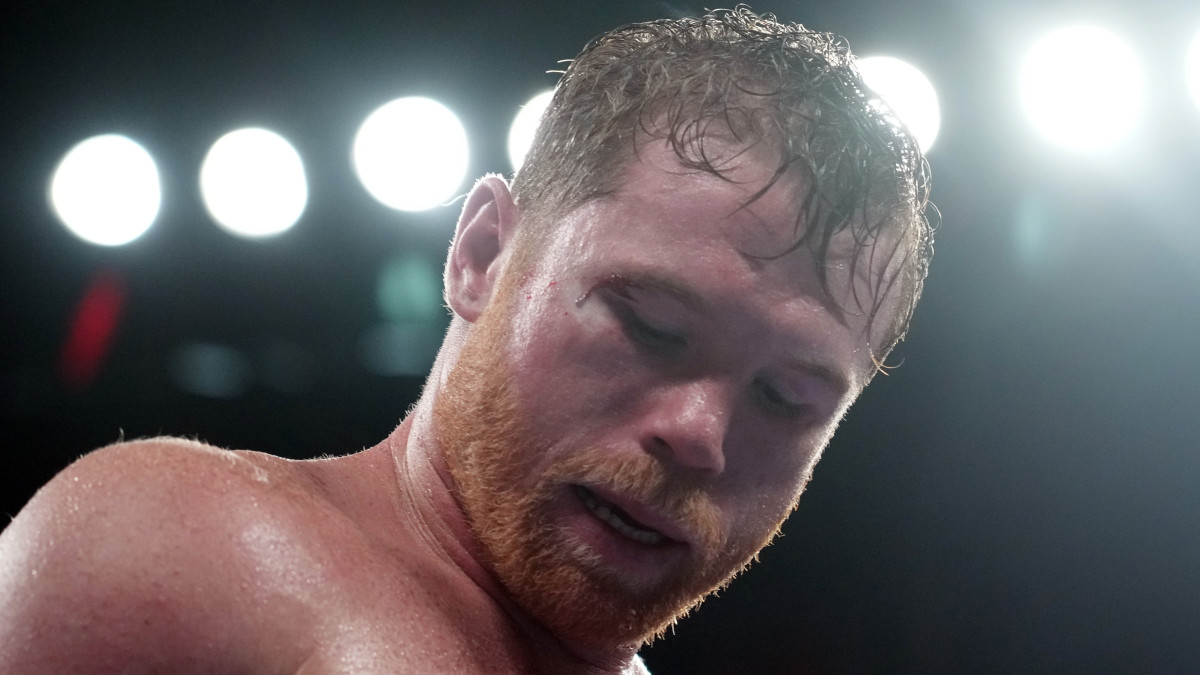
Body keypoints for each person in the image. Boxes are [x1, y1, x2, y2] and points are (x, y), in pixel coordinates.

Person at [0, 7, 933, 674]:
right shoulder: (191, 548)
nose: (700, 431)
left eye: (786, 398)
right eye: (651, 326)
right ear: (483, 255)